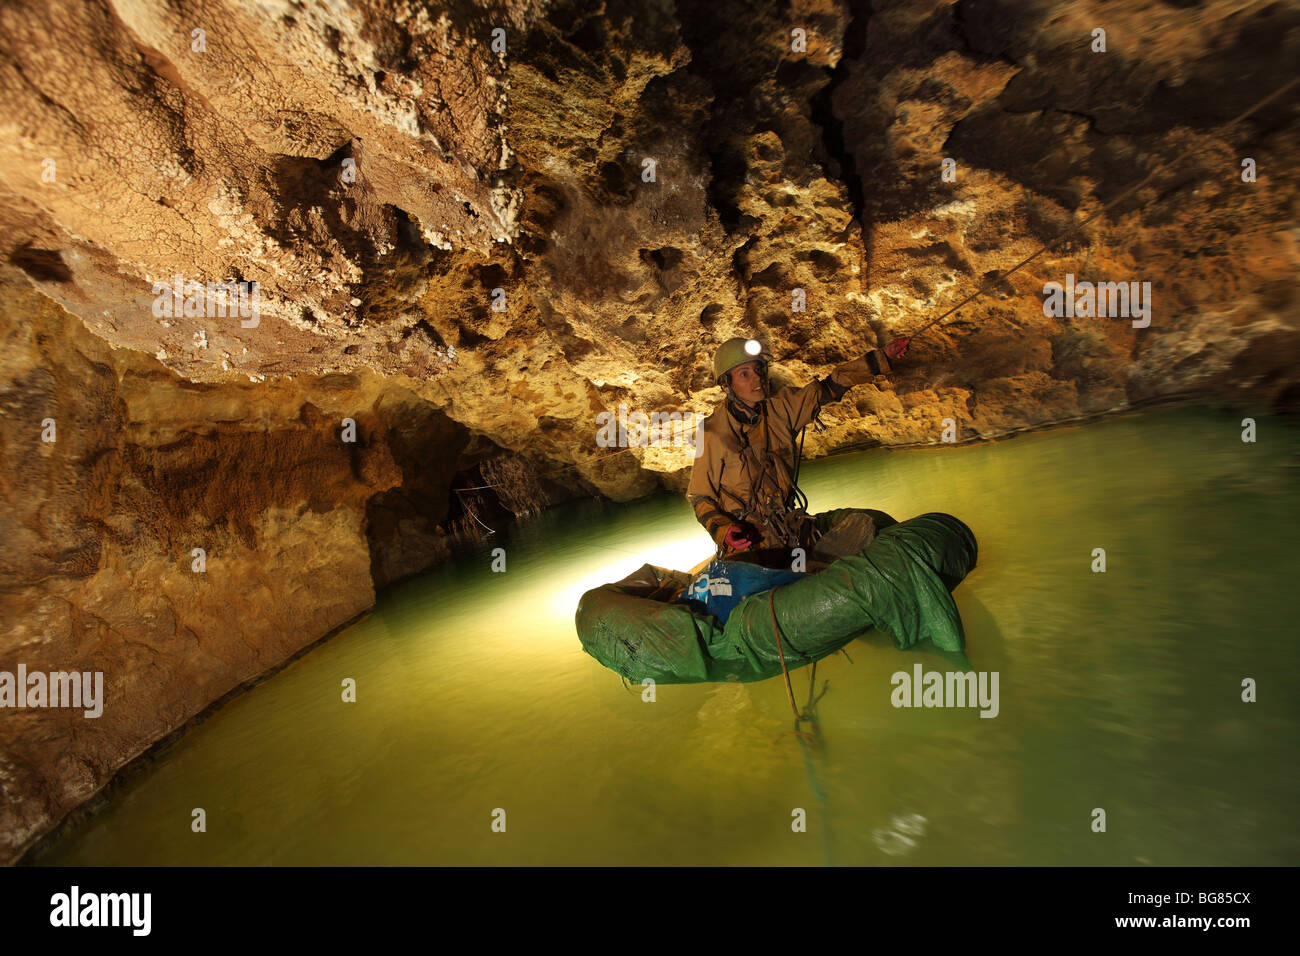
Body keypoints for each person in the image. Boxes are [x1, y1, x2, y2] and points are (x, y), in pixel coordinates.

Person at [686, 334, 910, 562]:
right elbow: (700, 496)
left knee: (864, 536)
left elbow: (830, 387)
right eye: (745, 374)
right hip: (750, 545)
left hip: (789, 529)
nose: (757, 379)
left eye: (758, 370)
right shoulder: (712, 433)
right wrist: (724, 531)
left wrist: (881, 358)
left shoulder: (780, 408)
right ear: (726, 385)